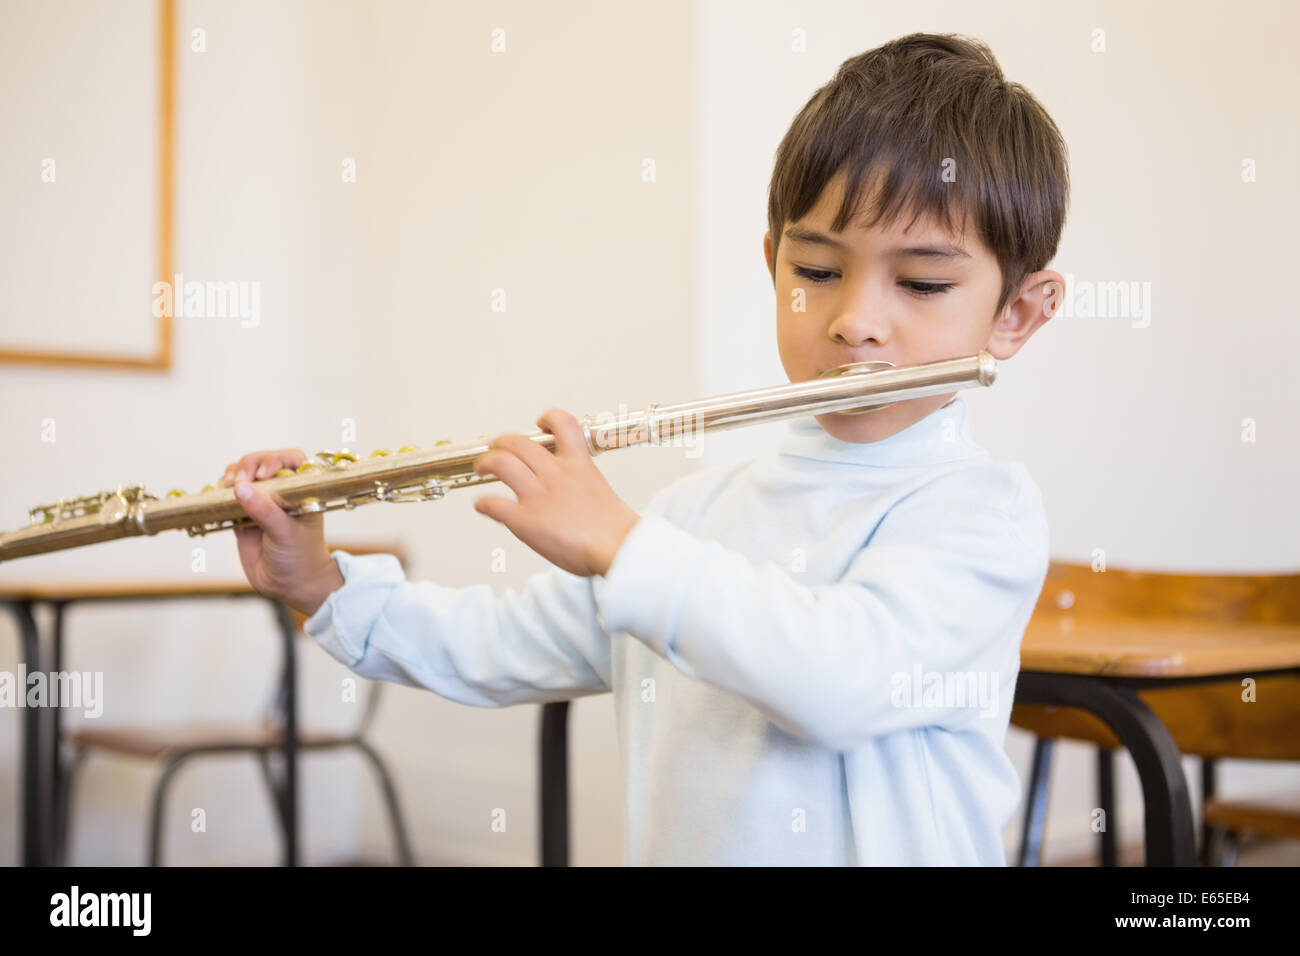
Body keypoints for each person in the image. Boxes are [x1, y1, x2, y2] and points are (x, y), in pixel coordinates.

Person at [219, 31, 1068, 865]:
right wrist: (323, 586)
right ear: (774, 264)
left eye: (921, 283)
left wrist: (623, 545)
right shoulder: (694, 516)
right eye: (816, 271)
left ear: (1017, 314)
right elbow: (499, 644)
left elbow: (836, 679)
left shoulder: (979, 513)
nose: (855, 320)